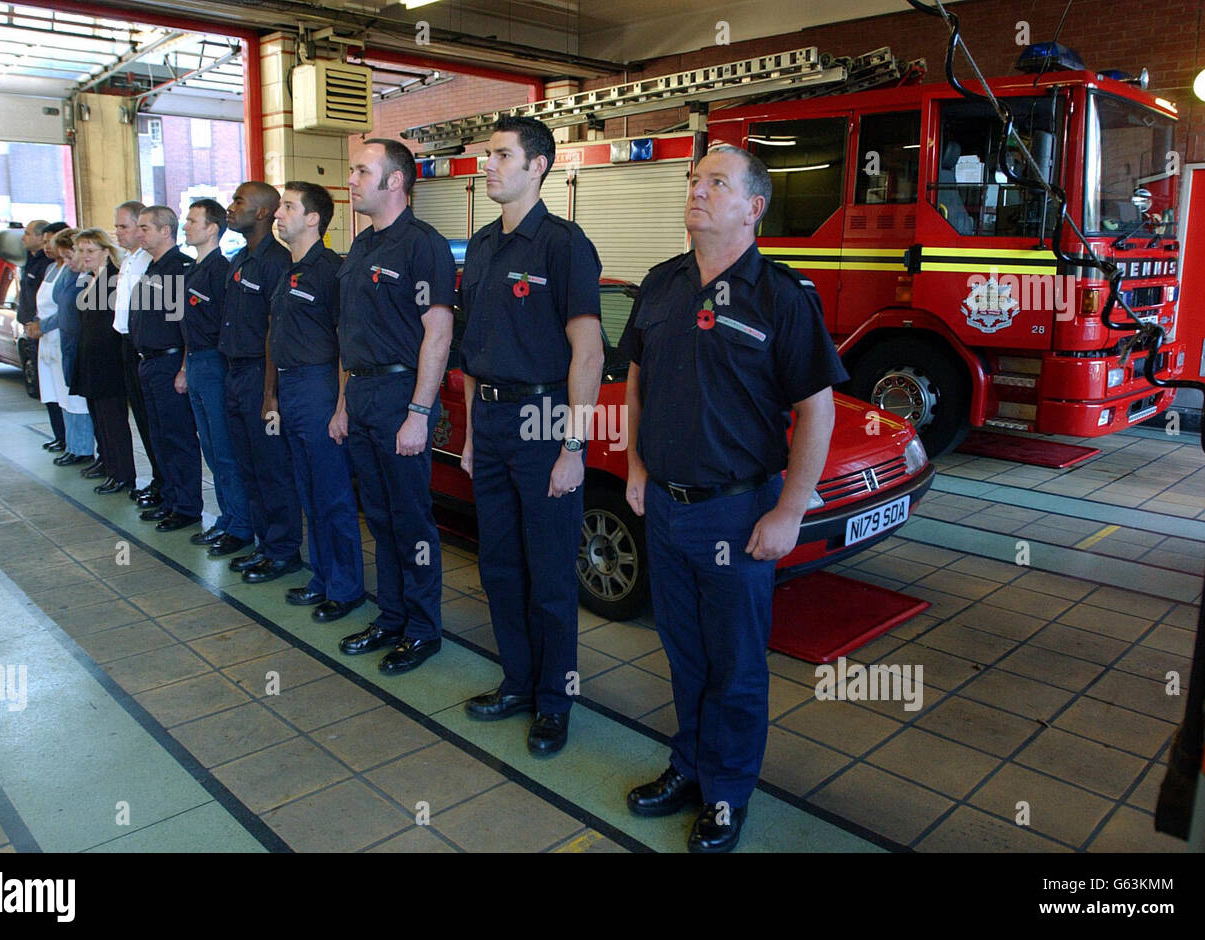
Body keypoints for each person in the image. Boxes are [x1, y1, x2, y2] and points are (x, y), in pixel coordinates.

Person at [619, 146, 847, 853]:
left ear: (753, 208)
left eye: (717, 182)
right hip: (666, 506)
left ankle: (726, 795)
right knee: (684, 656)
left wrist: (790, 510)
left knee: (736, 667)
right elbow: (636, 381)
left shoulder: (782, 296)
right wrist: (634, 467)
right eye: (694, 180)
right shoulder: (660, 285)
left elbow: (818, 410)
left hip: (738, 512)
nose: (698, 190)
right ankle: (687, 768)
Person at [457, 116, 604, 756]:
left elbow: (589, 352)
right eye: (486, 155)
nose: (486, 166)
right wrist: (467, 436)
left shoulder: (564, 245)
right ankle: (518, 680)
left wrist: (574, 447)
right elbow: (471, 352)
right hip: (489, 422)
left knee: (548, 573)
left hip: (543, 422)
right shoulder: (484, 245)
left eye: (500, 155)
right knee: (499, 566)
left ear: (538, 165)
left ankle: (555, 700)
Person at [332, 139, 455, 673]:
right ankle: (391, 616)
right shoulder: (361, 246)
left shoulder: (421, 245)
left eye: (362, 170)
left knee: (412, 520)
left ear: (396, 181)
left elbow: (438, 331)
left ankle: (424, 628)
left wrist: (419, 413)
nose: (352, 180)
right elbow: (349, 334)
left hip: (399, 396)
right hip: (360, 395)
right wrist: (341, 404)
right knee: (379, 516)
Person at [267, 181, 365, 621]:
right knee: (307, 490)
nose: (278, 213)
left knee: (333, 494)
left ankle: (346, 589)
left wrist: (342, 406)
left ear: (313, 219)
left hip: (320, 386)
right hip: (290, 387)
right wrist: (272, 396)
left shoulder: (331, 271)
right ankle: (322, 577)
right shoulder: (287, 270)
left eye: (288, 206)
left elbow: (346, 343)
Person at [218, 182, 303, 581]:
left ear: (263, 213)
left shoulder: (276, 262)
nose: (230, 208)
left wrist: (270, 394)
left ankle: (284, 550)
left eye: (239, 201)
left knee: (271, 467)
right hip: (233, 373)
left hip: (259, 375)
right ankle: (263, 544)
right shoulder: (239, 260)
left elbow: (275, 330)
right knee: (247, 464)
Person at [177, 198, 254, 556]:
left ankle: (241, 524)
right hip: (195, 362)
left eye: (193, 220)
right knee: (209, 446)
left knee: (225, 450)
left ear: (212, 228)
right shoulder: (194, 269)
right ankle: (226, 517)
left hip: (214, 363)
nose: (186, 226)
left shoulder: (220, 271)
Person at [129, 205, 201, 533]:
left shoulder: (180, 269)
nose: (139, 233)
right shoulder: (151, 268)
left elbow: (187, 325)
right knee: (158, 435)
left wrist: (184, 366)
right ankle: (170, 497)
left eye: (145, 228)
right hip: (149, 361)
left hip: (170, 361)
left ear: (165, 231)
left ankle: (186, 506)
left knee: (178, 436)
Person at [69, 228, 135, 496]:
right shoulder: (88, 280)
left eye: (90, 251)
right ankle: (108, 463)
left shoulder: (113, 280)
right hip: (90, 358)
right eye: (81, 251)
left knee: (113, 420)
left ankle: (122, 473)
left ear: (105, 253)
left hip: (108, 360)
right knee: (99, 417)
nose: (84, 256)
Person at [28, 228, 94, 466]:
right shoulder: (60, 270)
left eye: (70, 255)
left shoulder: (84, 276)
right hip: (57, 339)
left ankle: (83, 447)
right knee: (60, 394)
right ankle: (71, 442)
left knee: (75, 399)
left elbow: (68, 311)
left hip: (66, 337)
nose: (69, 260)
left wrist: (44, 325)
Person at [113, 200, 163, 505]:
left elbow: (160, 313)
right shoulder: (128, 260)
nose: (118, 232)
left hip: (142, 345)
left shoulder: (148, 262)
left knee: (152, 419)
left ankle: (163, 481)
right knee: (143, 420)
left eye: (125, 226)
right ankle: (159, 478)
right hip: (125, 342)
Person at [16, 220, 61, 451]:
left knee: (62, 393)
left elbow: (60, 308)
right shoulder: (34, 263)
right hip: (38, 333)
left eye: (27, 234)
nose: (23, 238)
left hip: (51, 333)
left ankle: (69, 440)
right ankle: (60, 436)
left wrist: (39, 324)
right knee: (48, 389)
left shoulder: (48, 266)